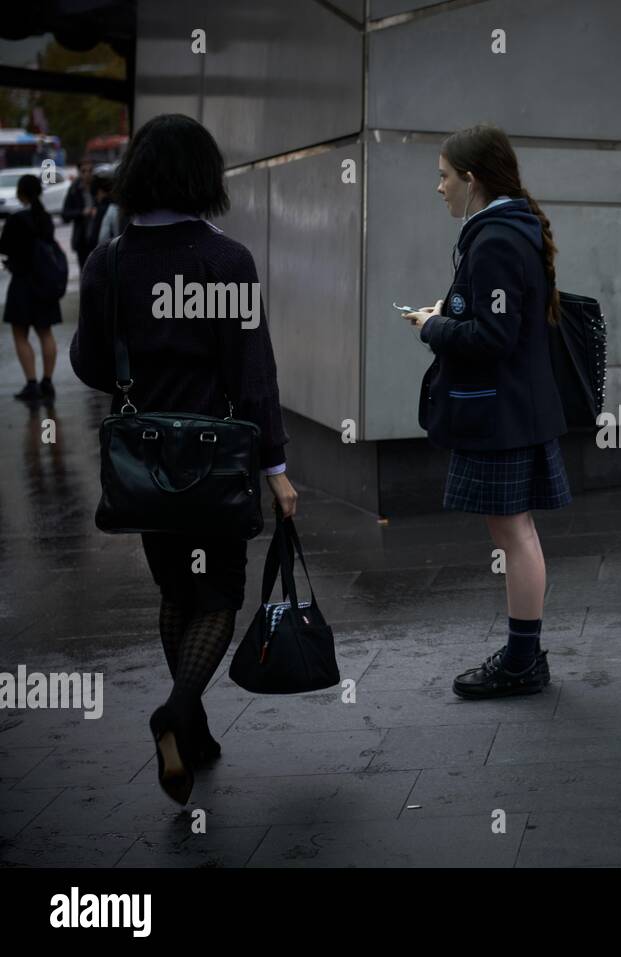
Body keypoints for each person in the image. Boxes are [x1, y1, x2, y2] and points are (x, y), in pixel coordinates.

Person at [70, 114, 296, 804]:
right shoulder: (226, 262)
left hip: (144, 469)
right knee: (221, 593)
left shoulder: (108, 262)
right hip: (217, 464)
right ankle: (176, 712)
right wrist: (277, 469)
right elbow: (253, 373)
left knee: (177, 591)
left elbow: (88, 362)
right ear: (203, 176)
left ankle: (192, 733)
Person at [403, 123, 569, 699]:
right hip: (514, 409)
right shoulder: (506, 229)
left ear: (471, 179)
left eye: (444, 176)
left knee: (514, 532)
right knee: (513, 530)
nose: (440, 187)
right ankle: (525, 656)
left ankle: (523, 660)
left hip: (501, 415)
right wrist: (445, 314)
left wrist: (434, 327)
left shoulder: (495, 239)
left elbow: (494, 336)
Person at [1, 174, 62, 400]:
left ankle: (32, 383)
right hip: (45, 283)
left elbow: (4, 246)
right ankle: (48, 382)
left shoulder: (17, 219)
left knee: (20, 334)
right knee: (45, 332)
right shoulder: (45, 218)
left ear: (21, 193)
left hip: (22, 285)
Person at [60, 159, 98, 271]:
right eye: (84, 171)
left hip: (99, 238)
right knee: (85, 271)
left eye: (90, 171)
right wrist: (82, 213)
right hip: (82, 240)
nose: (87, 174)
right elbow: (65, 214)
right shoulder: (74, 190)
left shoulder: (100, 187)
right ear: (79, 172)